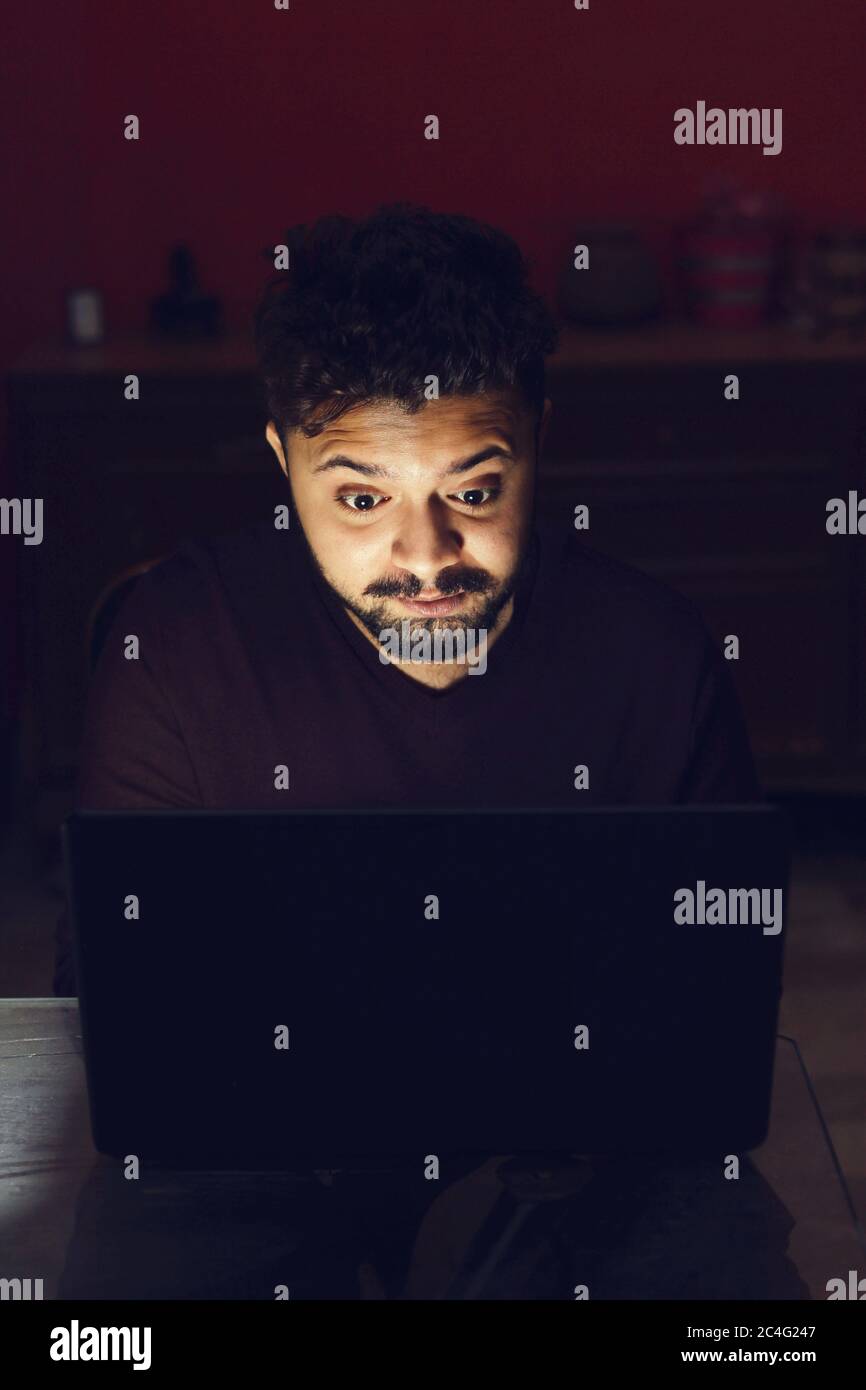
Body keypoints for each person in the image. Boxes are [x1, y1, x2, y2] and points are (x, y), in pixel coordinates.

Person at [53, 204, 805, 1299]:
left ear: (537, 438)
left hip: (579, 1156)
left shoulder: (656, 653)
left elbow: (708, 1020)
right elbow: (116, 1005)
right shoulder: (170, 646)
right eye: (360, 497)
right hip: (249, 1153)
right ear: (283, 463)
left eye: (473, 489)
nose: (424, 555)